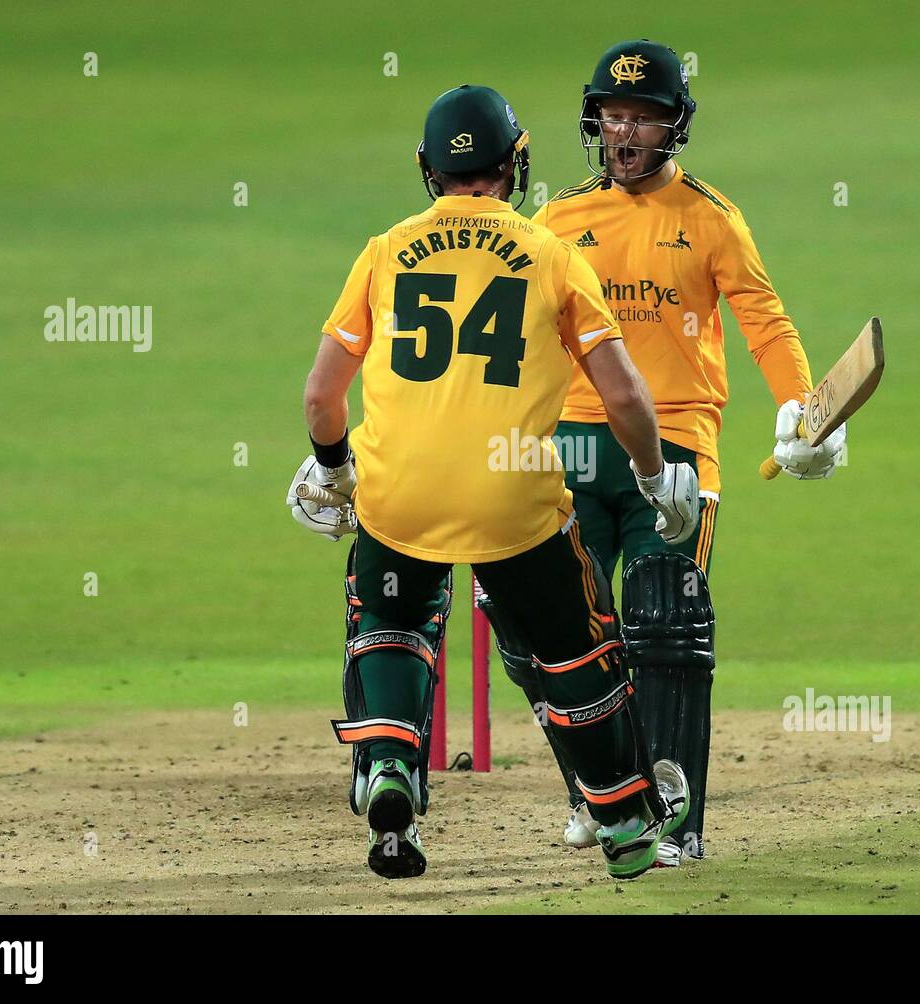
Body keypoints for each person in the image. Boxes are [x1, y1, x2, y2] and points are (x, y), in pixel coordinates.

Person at [286, 84, 700, 880]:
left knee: (389, 619)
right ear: (516, 164)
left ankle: (388, 768)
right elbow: (622, 394)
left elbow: (320, 395)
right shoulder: (551, 253)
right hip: (513, 498)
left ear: (427, 170)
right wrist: (655, 477)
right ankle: (623, 823)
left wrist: (336, 470)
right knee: (576, 651)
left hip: (399, 491)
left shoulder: (384, 250)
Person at [532, 40, 846, 860]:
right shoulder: (557, 219)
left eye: (643, 118)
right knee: (565, 627)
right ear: (593, 121)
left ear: (676, 127)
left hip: (676, 444)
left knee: (666, 619)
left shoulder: (711, 219)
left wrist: (801, 409)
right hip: (570, 443)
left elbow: (765, 323)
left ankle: (677, 822)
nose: (625, 133)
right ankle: (598, 794)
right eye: (613, 116)